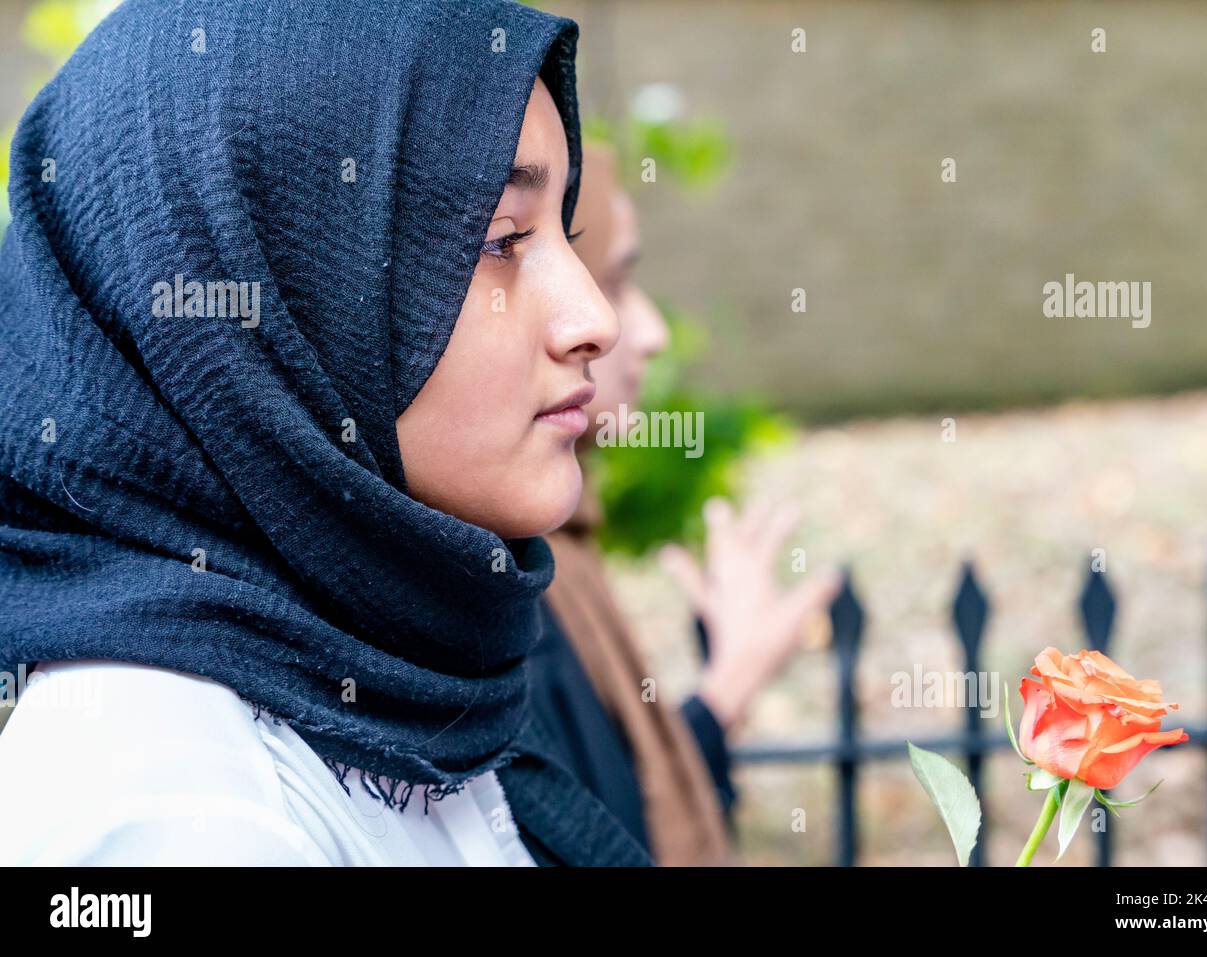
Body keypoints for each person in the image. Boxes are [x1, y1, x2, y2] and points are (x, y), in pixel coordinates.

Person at [0, 0, 650, 867]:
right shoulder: (176, 808)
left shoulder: (392, 676)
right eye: (500, 240)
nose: (592, 319)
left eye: (563, 232)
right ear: (267, 285)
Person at [528, 144, 843, 865]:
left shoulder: (563, 551)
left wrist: (728, 682)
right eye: (615, 280)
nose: (647, 332)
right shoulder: (520, 590)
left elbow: (611, 816)